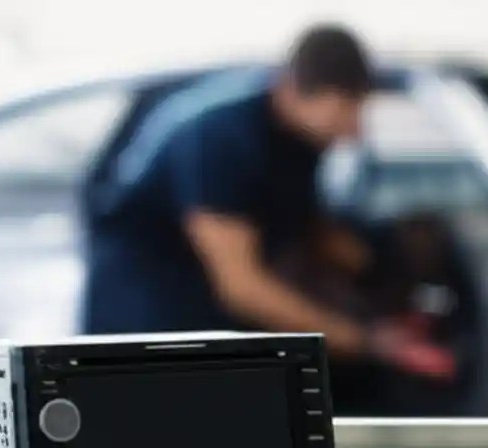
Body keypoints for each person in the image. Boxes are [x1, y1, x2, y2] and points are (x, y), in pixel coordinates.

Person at [81, 24, 451, 382]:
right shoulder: (222, 138)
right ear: (293, 90)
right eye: (344, 109)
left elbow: (308, 233)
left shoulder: (301, 139)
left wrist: (383, 281)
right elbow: (243, 287)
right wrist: (366, 342)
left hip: (205, 331)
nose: (354, 129)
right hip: (147, 333)